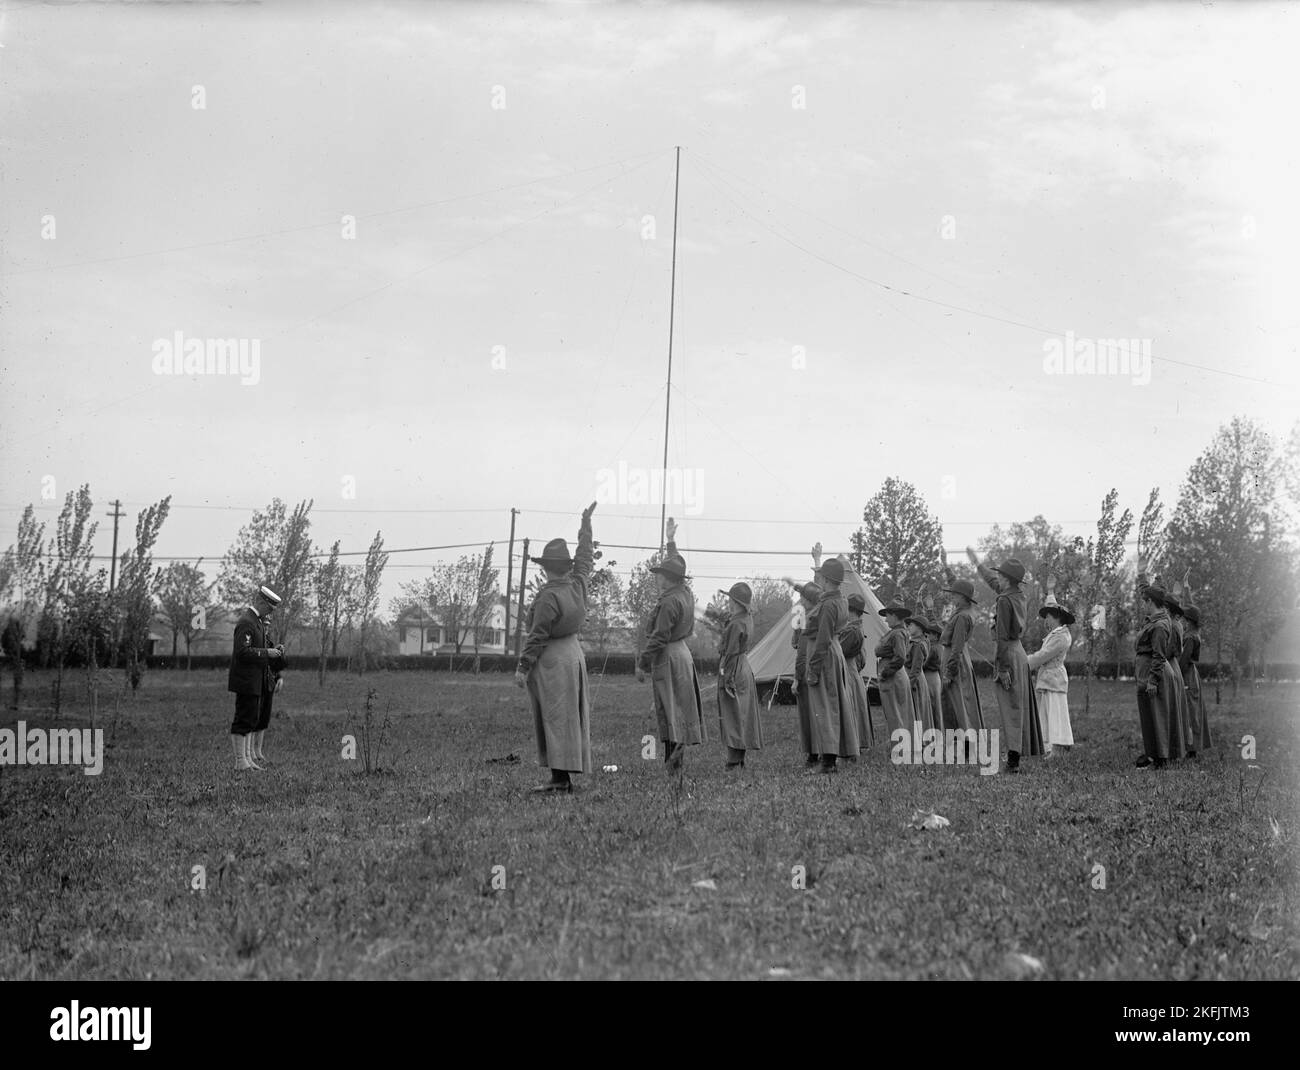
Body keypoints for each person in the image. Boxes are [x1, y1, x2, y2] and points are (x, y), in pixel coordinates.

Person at [513, 501, 597, 794]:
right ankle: (563, 776)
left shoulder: (548, 596)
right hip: (574, 656)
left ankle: (559, 779)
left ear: (547, 568)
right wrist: (586, 527)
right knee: (569, 716)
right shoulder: (578, 584)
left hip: (552, 660)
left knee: (554, 715)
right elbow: (585, 558)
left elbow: (537, 635)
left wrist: (523, 667)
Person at [637, 518, 704, 771]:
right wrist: (671, 542)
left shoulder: (669, 602)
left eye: (661, 575)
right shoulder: (684, 592)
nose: (657, 579)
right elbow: (678, 566)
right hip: (682, 655)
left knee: (669, 709)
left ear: (669, 578)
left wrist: (643, 663)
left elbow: (659, 636)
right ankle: (674, 761)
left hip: (668, 656)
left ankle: (672, 763)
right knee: (677, 708)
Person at [969, 549, 1044, 772]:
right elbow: (993, 582)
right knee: (1018, 706)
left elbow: (1001, 636)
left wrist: (1002, 668)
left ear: (1008, 579)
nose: (998, 577)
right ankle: (1016, 754)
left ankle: (1013, 761)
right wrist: (978, 565)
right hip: (1019, 652)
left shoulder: (1003, 600)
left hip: (1009, 653)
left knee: (1010, 708)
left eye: (1001, 575)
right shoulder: (1018, 595)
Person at [804, 557, 859, 773]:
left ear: (826, 580)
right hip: (835, 653)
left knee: (825, 706)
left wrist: (813, 669)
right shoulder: (841, 600)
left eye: (821, 577)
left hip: (825, 655)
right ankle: (832, 756)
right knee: (834, 705)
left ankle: (828, 762)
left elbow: (823, 639)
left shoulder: (827, 605)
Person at [227, 585, 284, 772]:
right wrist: (267, 652)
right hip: (245, 680)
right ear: (260, 601)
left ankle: (246, 758)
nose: (270, 612)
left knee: (251, 719)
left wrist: (274, 653)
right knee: (243, 719)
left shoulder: (257, 622)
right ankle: (239, 760)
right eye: (269, 608)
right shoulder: (247, 622)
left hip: (254, 680)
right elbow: (242, 652)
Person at [1133, 574, 1186, 769]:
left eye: (1145, 602)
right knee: (1151, 716)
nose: (1143, 606)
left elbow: (1158, 655)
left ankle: (1161, 758)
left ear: (1151, 602)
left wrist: (1153, 681)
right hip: (1148, 672)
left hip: (1155, 674)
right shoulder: (1155, 620)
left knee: (1158, 716)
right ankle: (1155, 754)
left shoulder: (1161, 625)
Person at [715, 581, 764, 770]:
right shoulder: (746, 618)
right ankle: (739, 757)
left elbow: (731, 651)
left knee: (732, 713)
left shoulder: (736, 623)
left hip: (733, 666)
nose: (728, 602)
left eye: (730, 599)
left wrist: (726, 677)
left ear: (734, 601)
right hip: (743, 665)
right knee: (741, 712)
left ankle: (734, 760)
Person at [1027, 584, 1074, 758]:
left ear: (1056, 619)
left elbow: (1043, 656)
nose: (1046, 621)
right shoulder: (1056, 634)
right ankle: (1049, 746)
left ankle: (1058, 747)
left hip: (1054, 679)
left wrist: (1024, 662)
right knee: (1046, 711)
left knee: (1055, 712)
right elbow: (1051, 604)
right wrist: (1051, 591)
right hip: (1048, 678)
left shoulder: (1061, 637)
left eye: (1048, 617)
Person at [939, 578, 983, 750]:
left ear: (964, 597)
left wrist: (949, 672)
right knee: (954, 704)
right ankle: (959, 744)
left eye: (956, 595)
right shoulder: (961, 613)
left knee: (959, 705)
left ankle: (966, 747)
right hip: (956, 658)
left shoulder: (963, 616)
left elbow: (956, 646)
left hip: (956, 662)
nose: (953, 598)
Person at [788, 579, 822, 767]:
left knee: (808, 714)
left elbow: (801, 653)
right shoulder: (816, 617)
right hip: (819, 671)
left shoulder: (807, 620)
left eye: (802, 597)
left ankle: (813, 754)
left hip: (807, 672)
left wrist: (796, 678)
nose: (800, 601)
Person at [839, 592, 874, 751]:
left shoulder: (852, 630)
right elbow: (863, 659)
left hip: (848, 670)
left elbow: (839, 652)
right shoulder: (856, 628)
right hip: (853, 671)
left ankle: (852, 747)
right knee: (855, 709)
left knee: (851, 709)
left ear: (850, 610)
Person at [874, 598, 914, 740]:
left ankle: (901, 749)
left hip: (893, 677)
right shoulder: (897, 632)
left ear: (895, 616)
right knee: (897, 712)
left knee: (895, 713)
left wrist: (885, 673)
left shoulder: (897, 634)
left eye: (888, 616)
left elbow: (900, 657)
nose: (886, 620)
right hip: (895, 676)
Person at [1180, 601, 1212, 753]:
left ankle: (1192, 748)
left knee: (1190, 710)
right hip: (1192, 674)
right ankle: (1192, 746)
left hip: (1187, 675)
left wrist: (1176, 675)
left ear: (1190, 622)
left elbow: (1184, 661)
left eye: (1185, 620)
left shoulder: (1190, 638)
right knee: (1192, 709)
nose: (1183, 622)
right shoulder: (1194, 635)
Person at [905, 614, 935, 734]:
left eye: (911, 625)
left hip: (915, 681)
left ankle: (919, 738)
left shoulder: (918, 645)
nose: (908, 627)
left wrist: (908, 684)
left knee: (917, 709)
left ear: (919, 628)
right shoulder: (921, 641)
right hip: (917, 678)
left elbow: (915, 668)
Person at [923, 618, 944, 722]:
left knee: (931, 705)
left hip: (929, 677)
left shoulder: (933, 648)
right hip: (935, 677)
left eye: (929, 633)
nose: (927, 635)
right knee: (936, 705)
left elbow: (924, 663)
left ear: (936, 636)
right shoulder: (940, 647)